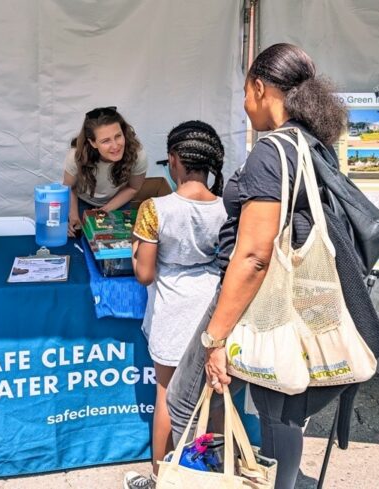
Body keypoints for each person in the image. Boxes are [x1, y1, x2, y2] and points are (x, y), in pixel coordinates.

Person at [165, 43, 351, 489]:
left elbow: (253, 255)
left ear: (260, 87)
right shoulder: (316, 144)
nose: (246, 105)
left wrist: (215, 337)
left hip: (257, 298)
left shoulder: (272, 151)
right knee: (280, 409)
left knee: (184, 403)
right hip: (297, 298)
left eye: (246, 93)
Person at [123, 121, 227, 489]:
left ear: (174, 160)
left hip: (171, 309)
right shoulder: (228, 206)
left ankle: (160, 477)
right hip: (215, 308)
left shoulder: (154, 209)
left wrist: (136, 251)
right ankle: (215, 472)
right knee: (213, 396)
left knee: (166, 395)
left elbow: (145, 274)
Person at [62, 107, 148, 236]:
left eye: (118, 136)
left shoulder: (138, 155)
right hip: (81, 201)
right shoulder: (76, 157)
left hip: (118, 202)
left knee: (119, 240)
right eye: (106, 141)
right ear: (93, 142)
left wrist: (104, 210)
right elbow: (69, 188)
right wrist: (73, 216)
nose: (115, 146)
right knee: (80, 238)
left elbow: (133, 188)